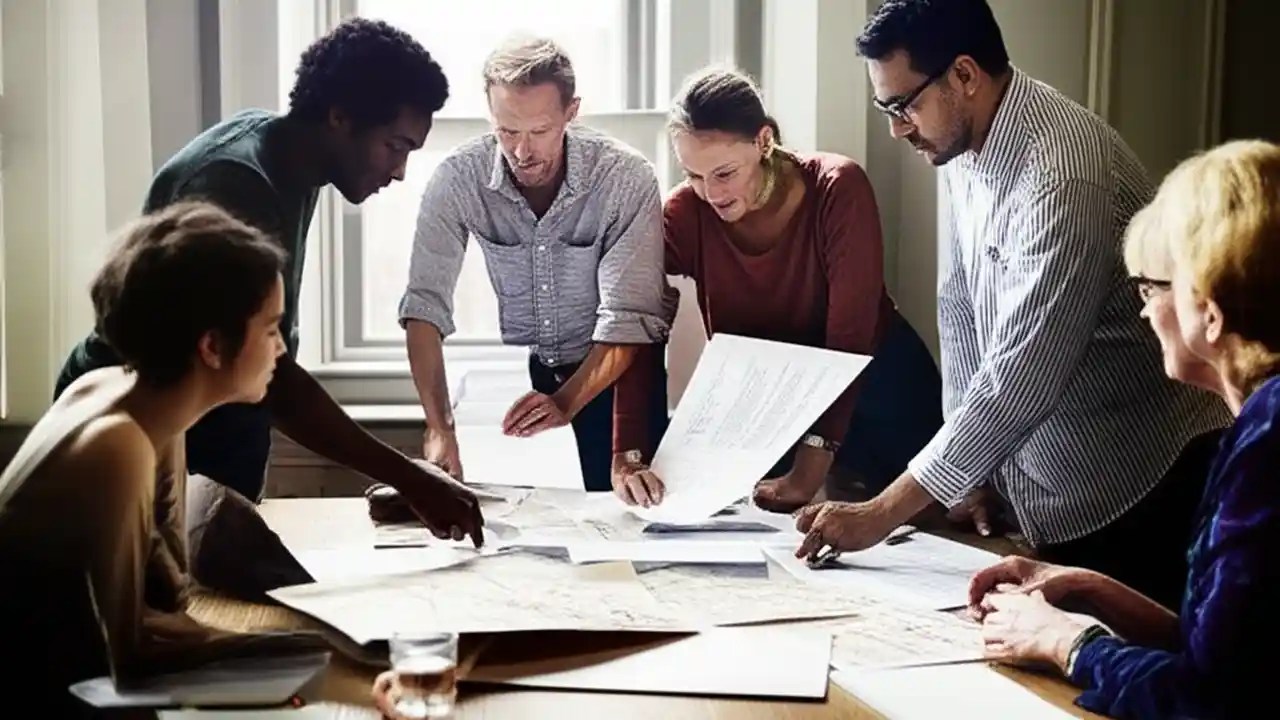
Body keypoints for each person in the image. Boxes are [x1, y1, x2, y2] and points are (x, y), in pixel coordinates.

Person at [794, 0, 1230, 610]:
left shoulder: (1062, 174)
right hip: (1051, 477)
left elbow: (1022, 373)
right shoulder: (958, 141)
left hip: (1141, 478)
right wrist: (970, 474)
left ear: (965, 76)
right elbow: (961, 307)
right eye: (884, 109)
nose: (897, 128)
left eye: (903, 106)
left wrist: (883, 512)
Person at [51, 18, 484, 548]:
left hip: (209, 440)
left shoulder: (292, 158)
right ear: (339, 118)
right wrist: (410, 477)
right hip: (151, 438)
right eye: (395, 146)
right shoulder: (233, 183)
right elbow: (269, 375)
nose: (399, 171)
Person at [972, 139, 1280, 719]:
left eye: (1150, 289)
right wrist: (1093, 590)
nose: (1143, 312)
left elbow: (1205, 699)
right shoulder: (1254, 422)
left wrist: (1067, 642)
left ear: (1208, 312)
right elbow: (1237, 653)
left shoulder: (1270, 437)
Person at [0, 203, 327, 718]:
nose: (281, 348)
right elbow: (127, 655)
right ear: (213, 346)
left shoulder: (133, 401)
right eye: (269, 329)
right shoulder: (118, 444)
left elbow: (169, 598)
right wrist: (308, 645)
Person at [608, 67, 942, 511]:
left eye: (724, 173)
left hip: (875, 384)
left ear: (764, 141)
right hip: (771, 402)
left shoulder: (837, 187)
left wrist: (810, 469)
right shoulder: (686, 214)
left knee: (930, 527)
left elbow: (849, 340)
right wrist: (627, 452)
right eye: (693, 175)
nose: (711, 193)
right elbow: (640, 319)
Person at [399, 36, 676, 492]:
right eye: (507, 131)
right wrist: (439, 427)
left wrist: (566, 402)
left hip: (622, 377)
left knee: (624, 534)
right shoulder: (457, 179)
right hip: (541, 375)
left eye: (540, 131)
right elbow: (424, 306)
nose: (522, 152)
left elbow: (629, 319)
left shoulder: (626, 178)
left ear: (572, 112)